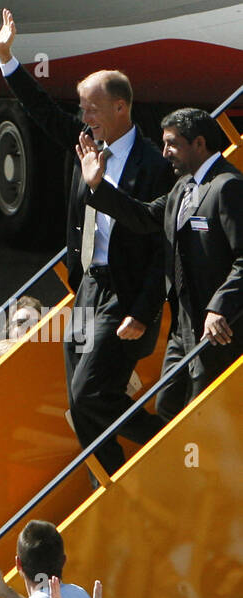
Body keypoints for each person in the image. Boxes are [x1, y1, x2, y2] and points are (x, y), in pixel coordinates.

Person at [0, 9, 173, 473]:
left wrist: (143, 308)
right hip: (88, 286)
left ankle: (165, 441)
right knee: (80, 400)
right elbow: (43, 112)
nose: (84, 116)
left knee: (91, 393)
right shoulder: (86, 143)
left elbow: (161, 248)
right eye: (82, 108)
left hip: (125, 291)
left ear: (121, 107)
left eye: (92, 108)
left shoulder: (152, 165)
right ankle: (115, 475)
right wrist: (8, 60)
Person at [78, 108, 243, 418]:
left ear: (199, 143)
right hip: (184, 329)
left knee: (203, 416)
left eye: (172, 144)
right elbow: (143, 217)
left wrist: (219, 306)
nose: (165, 153)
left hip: (217, 330)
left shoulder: (228, 186)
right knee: (167, 405)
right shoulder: (183, 187)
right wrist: (99, 187)